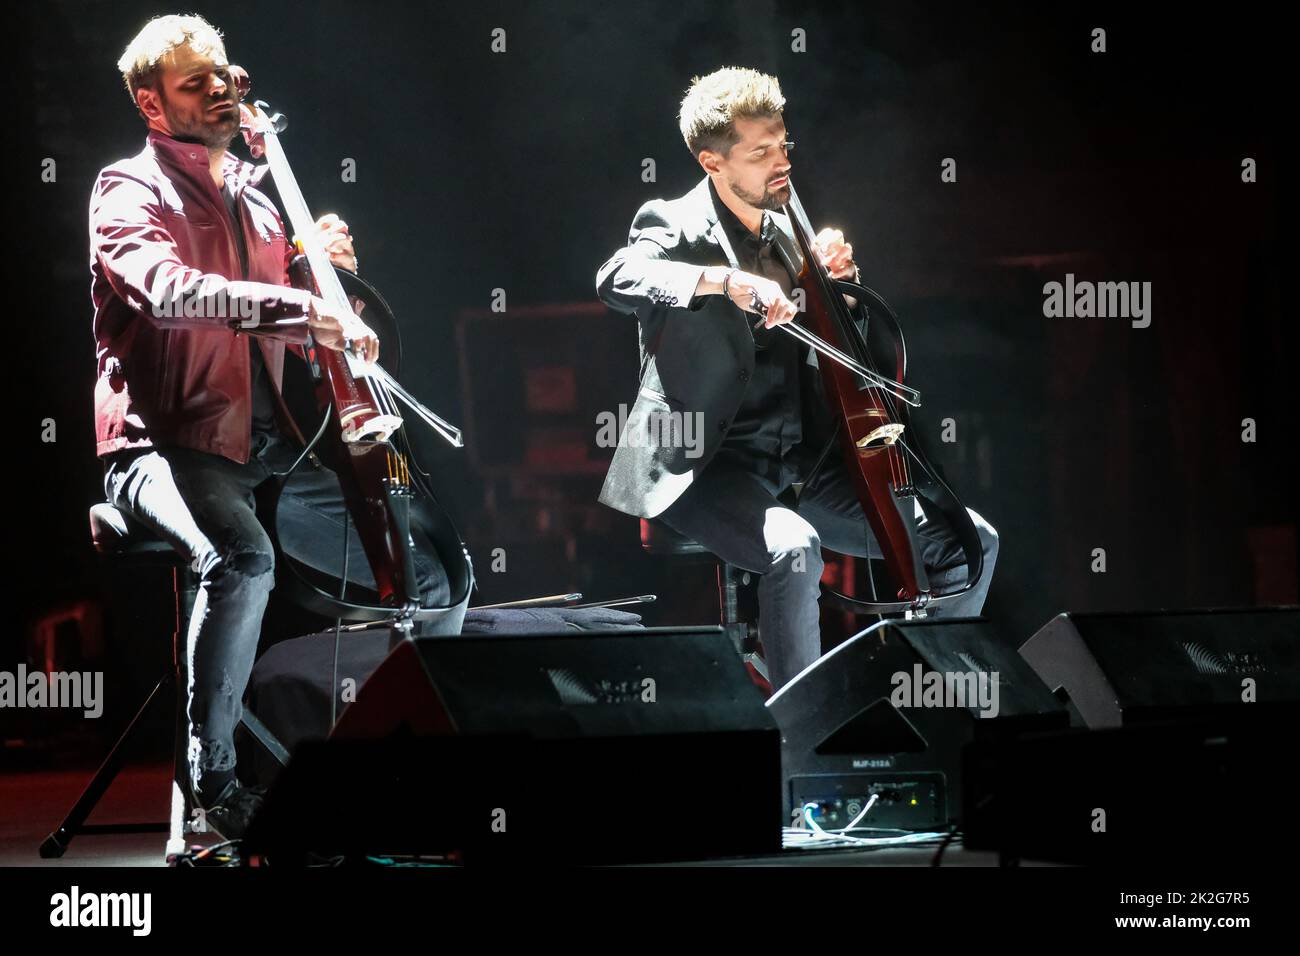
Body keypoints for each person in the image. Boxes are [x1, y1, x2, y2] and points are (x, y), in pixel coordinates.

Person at [91, 14, 456, 840]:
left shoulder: (261, 199)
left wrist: (329, 277)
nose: (220, 88)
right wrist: (300, 302)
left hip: (278, 444)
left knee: (432, 570)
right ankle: (214, 792)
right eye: (195, 82)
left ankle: (410, 760)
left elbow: (299, 325)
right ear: (153, 105)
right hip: (165, 445)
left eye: (224, 72)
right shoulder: (127, 189)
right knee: (242, 559)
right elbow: (169, 294)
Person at [596, 67, 998, 691]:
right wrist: (724, 281)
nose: (780, 161)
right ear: (713, 163)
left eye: (783, 144)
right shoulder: (671, 223)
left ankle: (939, 695)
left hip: (803, 469)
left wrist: (843, 287)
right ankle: (797, 726)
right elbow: (616, 277)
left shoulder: (791, 231)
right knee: (795, 549)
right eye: (759, 153)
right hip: (705, 466)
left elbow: (842, 354)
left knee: (969, 540)